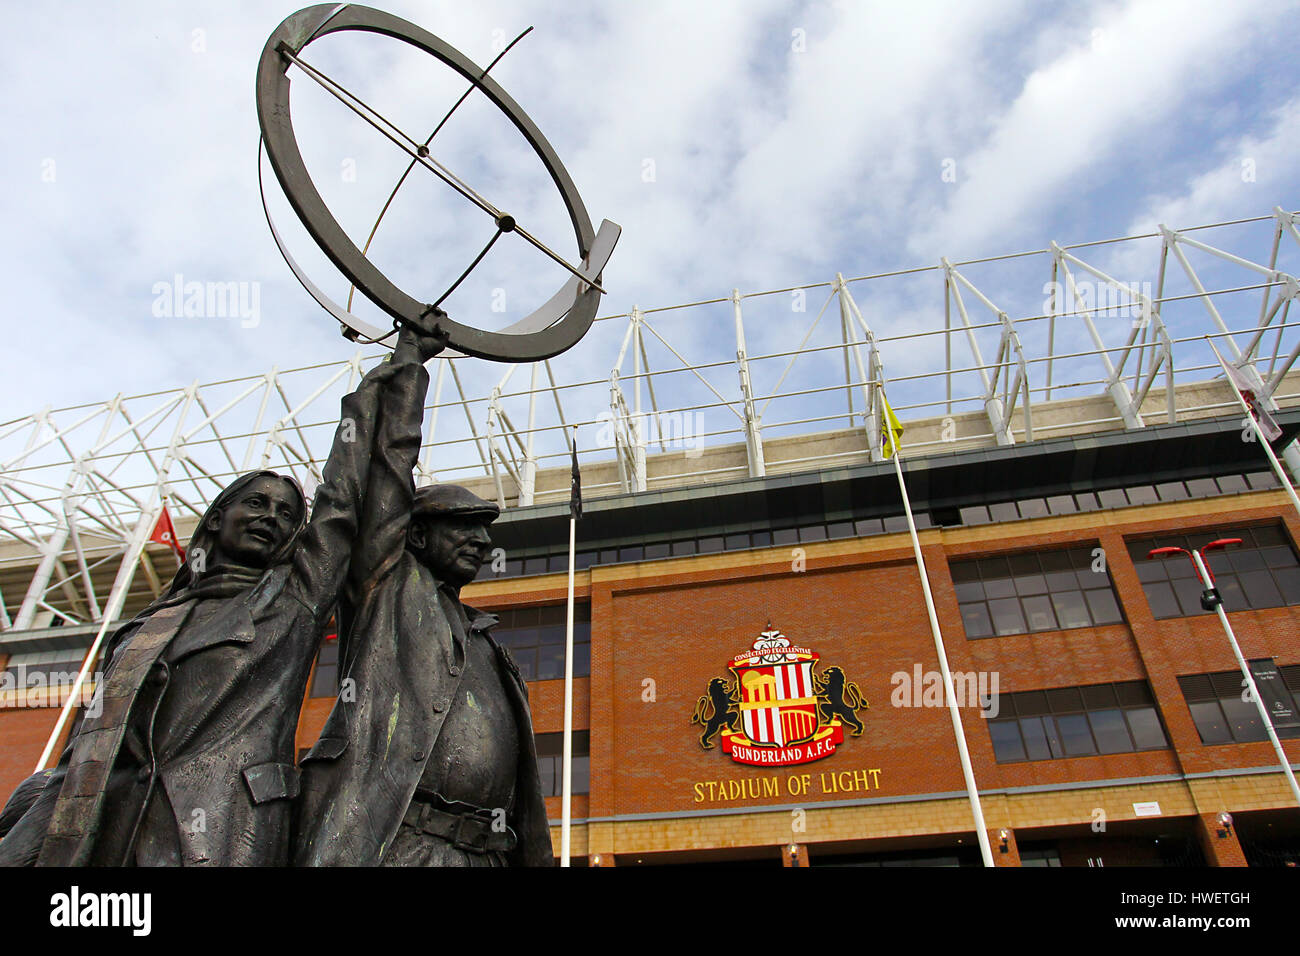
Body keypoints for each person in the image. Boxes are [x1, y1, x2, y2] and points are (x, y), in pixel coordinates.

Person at [0, 317, 446, 866]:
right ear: (216, 520)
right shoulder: (146, 626)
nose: (272, 518)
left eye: (287, 513)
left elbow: (344, 497)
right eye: (255, 504)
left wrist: (402, 370)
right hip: (108, 828)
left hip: (225, 829)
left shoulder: (293, 599)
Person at [293, 367, 552, 866]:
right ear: (414, 536)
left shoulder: (486, 640)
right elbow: (388, 473)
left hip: (488, 854)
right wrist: (410, 365)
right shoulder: (387, 592)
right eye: (464, 529)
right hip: (405, 845)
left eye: (484, 533)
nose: (483, 543)